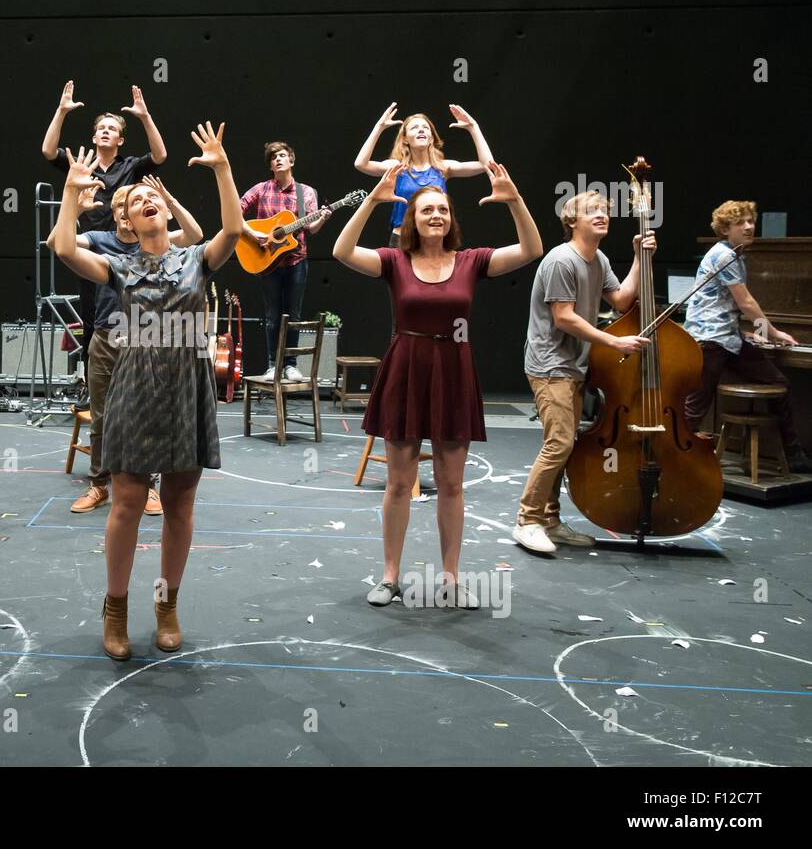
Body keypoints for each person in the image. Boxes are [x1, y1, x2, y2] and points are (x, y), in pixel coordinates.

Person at [51, 122, 242, 660]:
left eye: (150, 195)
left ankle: (167, 605)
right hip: (135, 387)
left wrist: (222, 169)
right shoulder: (118, 265)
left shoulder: (196, 258)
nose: (145, 201)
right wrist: (71, 193)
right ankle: (114, 609)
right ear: (128, 222)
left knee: (180, 504)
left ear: (163, 208)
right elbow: (64, 247)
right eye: (136, 200)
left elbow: (234, 228)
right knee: (128, 504)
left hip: (187, 388)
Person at [333, 162, 542, 608]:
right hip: (406, 369)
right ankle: (390, 576)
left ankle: (451, 577)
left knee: (451, 484)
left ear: (451, 219)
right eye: (427, 209)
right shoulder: (395, 261)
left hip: (453, 370)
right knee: (397, 482)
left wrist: (515, 199)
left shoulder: (472, 261)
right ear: (412, 218)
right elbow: (341, 251)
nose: (436, 216)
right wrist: (373, 199)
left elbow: (531, 248)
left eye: (442, 209)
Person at [46, 176, 204, 515]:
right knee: (102, 417)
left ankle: (149, 487)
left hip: (147, 343)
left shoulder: (154, 241)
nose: (122, 212)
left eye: (128, 205)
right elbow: (56, 243)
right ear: (118, 215)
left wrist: (169, 200)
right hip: (106, 337)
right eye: (119, 206)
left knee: (154, 417)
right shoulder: (100, 240)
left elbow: (194, 236)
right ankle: (99, 485)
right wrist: (73, 206)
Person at [512, 191, 655, 554]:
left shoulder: (598, 258)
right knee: (559, 443)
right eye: (592, 211)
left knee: (564, 445)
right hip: (551, 364)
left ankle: (551, 521)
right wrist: (613, 343)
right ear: (571, 221)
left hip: (574, 365)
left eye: (606, 211)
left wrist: (639, 258)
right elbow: (564, 318)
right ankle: (528, 520)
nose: (602, 215)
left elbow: (621, 299)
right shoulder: (562, 260)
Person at [682, 200, 811, 471]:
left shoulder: (736, 253)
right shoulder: (724, 254)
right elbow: (746, 303)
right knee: (695, 408)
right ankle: (667, 460)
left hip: (727, 338)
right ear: (725, 229)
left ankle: (794, 456)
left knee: (779, 383)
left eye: (751, 221)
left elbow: (723, 306)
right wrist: (772, 331)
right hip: (709, 341)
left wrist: (752, 333)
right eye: (741, 222)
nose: (750, 226)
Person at [42, 81, 167, 349]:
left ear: (120, 140)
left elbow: (160, 154)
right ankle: (92, 381)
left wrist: (145, 117)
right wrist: (61, 111)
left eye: (112, 128)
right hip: (90, 246)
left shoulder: (130, 166)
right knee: (92, 320)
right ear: (94, 138)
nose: (106, 131)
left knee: (131, 315)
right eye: (101, 128)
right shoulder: (82, 165)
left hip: (126, 249)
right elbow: (48, 151)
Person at [239, 141, 333, 381]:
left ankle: (290, 364)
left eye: (282, 156)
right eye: (273, 157)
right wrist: (252, 234)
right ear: (270, 165)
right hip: (267, 261)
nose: (277, 159)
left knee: (293, 315)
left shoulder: (306, 192)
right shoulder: (261, 189)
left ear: (291, 161)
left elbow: (310, 227)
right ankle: (273, 364)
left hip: (296, 261)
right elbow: (234, 210)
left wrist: (322, 217)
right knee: (272, 317)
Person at [353, 103, 495, 247]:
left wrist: (473, 127)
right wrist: (379, 127)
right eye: (414, 128)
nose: (421, 130)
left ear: (431, 138)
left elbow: (487, 164)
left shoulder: (442, 168)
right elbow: (361, 164)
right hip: (402, 239)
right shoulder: (398, 167)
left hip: (434, 240)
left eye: (425, 128)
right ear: (405, 139)